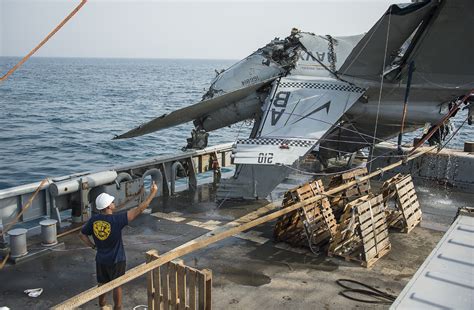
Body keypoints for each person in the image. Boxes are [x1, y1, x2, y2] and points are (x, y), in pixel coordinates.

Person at [79, 182, 158, 310]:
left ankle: (102, 306)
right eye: (112, 202)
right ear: (108, 206)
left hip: (101, 259)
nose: (114, 202)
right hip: (117, 260)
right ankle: (118, 307)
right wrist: (152, 193)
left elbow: (81, 235)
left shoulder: (93, 221)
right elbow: (140, 208)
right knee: (117, 285)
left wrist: (93, 246)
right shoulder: (117, 220)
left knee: (102, 284)